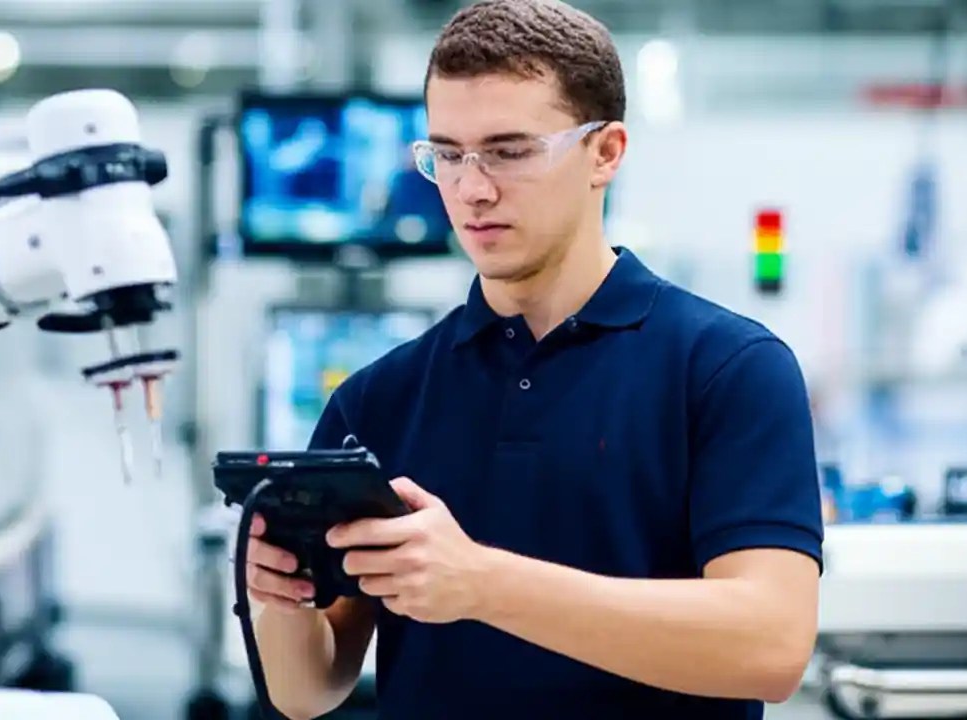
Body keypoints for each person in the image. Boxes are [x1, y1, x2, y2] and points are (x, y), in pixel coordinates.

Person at [243, 1, 823, 718]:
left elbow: (768, 647)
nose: (472, 189)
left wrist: (482, 583)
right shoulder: (379, 399)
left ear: (605, 152)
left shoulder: (727, 369)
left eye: (510, 151)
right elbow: (309, 691)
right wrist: (283, 602)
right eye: (447, 155)